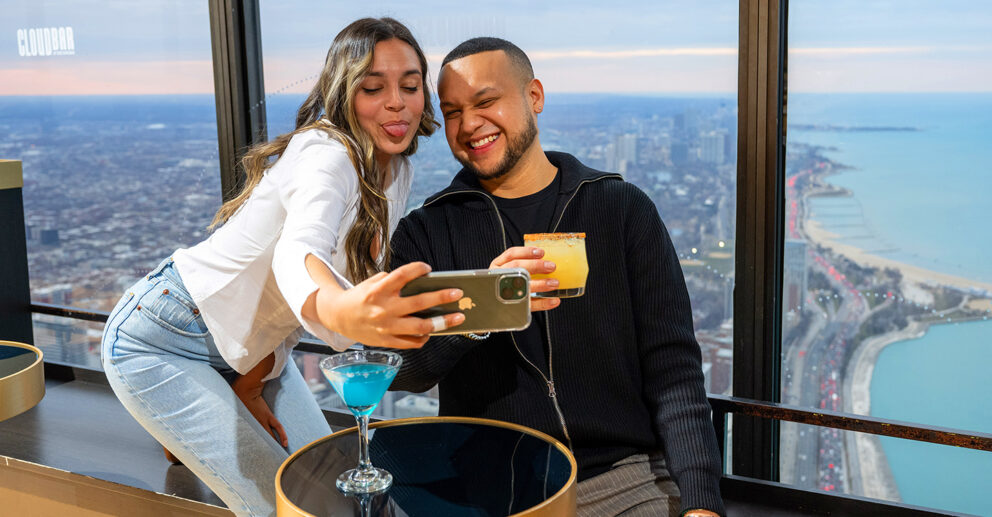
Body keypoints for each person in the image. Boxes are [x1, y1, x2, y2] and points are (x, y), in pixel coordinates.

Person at [100, 18, 465, 517]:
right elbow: (298, 253)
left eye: (410, 85)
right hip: (161, 337)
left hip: (251, 352)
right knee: (286, 509)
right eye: (373, 88)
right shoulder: (328, 154)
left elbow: (280, 300)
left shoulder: (395, 170)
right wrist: (339, 310)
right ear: (343, 93)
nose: (396, 103)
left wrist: (249, 386)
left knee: (338, 492)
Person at [388, 37, 725, 516]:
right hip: (493, 495)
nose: (469, 124)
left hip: (624, 481)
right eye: (453, 112)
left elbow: (673, 368)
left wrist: (702, 503)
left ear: (534, 96)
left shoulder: (620, 208)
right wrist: (484, 304)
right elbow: (401, 370)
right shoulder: (425, 233)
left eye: (485, 101)